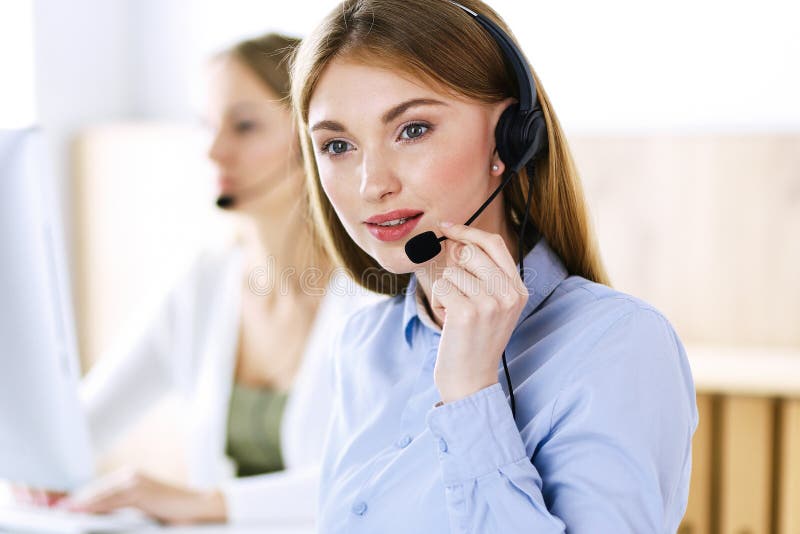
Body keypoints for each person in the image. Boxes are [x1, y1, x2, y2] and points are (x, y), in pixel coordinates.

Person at [289, 1, 700, 532]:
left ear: (510, 138)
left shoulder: (619, 344)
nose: (372, 184)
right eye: (338, 145)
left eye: (413, 130)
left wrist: (470, 393)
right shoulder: (364, 343)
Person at [20, 33, 378, 525]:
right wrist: (37, 460)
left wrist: (202, 504)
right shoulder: (203, 284)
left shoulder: (375, 289)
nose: (213, 151)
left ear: (315, 136)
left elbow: (377, 480)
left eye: (244, 126)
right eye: (207, 126)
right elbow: (77, 429)